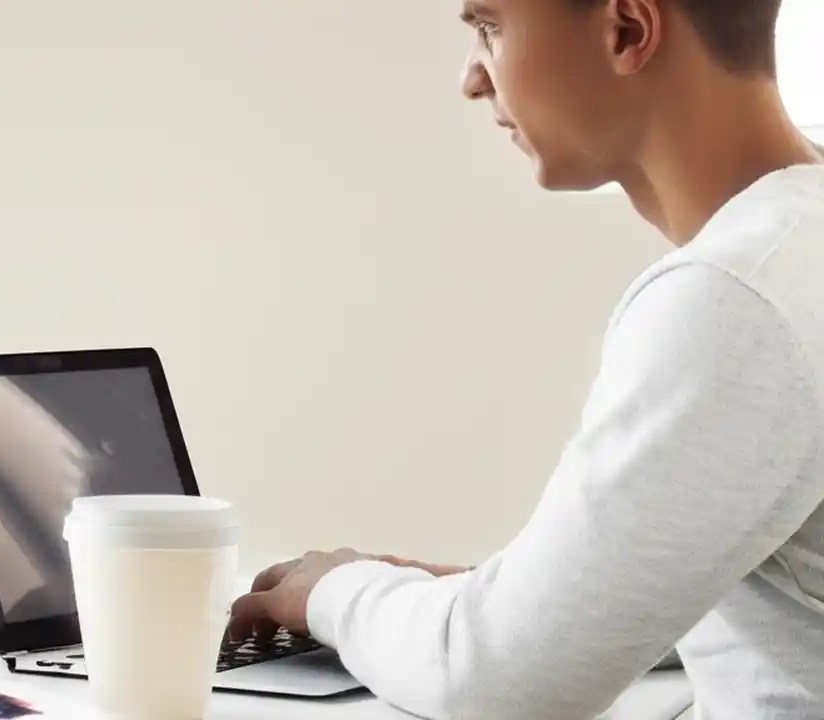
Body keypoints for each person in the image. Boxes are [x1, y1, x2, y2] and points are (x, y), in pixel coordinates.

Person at [227, 1, 824, 718]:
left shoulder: (738, 296)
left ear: (627, 30)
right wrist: (522, 600)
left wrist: (333, 592)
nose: (471, 79)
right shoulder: (796, 249)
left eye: (490, 26)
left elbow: (495, 683)